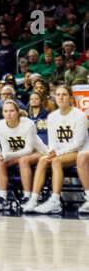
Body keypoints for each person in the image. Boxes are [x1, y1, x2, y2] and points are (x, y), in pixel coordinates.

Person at [24, 85, 88, 214]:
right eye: (58, 94)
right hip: (61, 153)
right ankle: (33, 199)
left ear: (70, 98)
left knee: (56, 161)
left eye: (64, 94)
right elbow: (52, 141)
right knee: (43, 159)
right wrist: (51, 151)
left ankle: (55, 201)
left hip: (81, 151)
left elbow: (78, 143)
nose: (60, 97)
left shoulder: (79, 115)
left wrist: (57, 153)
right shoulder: (52, 116)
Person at [0, 98, 46, 211]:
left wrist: (8, 156)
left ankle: (27, 196)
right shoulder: (0, 125)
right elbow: (6, 149)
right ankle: (3, 197)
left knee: (24, 160)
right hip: (17, 154)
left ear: (17, 112)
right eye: (5, 111)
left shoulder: (28, 124)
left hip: (39, 152)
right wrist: (3, 155)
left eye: (11, 111)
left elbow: (29, 149)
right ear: (2, 113)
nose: (8, 114)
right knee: (1, 161)